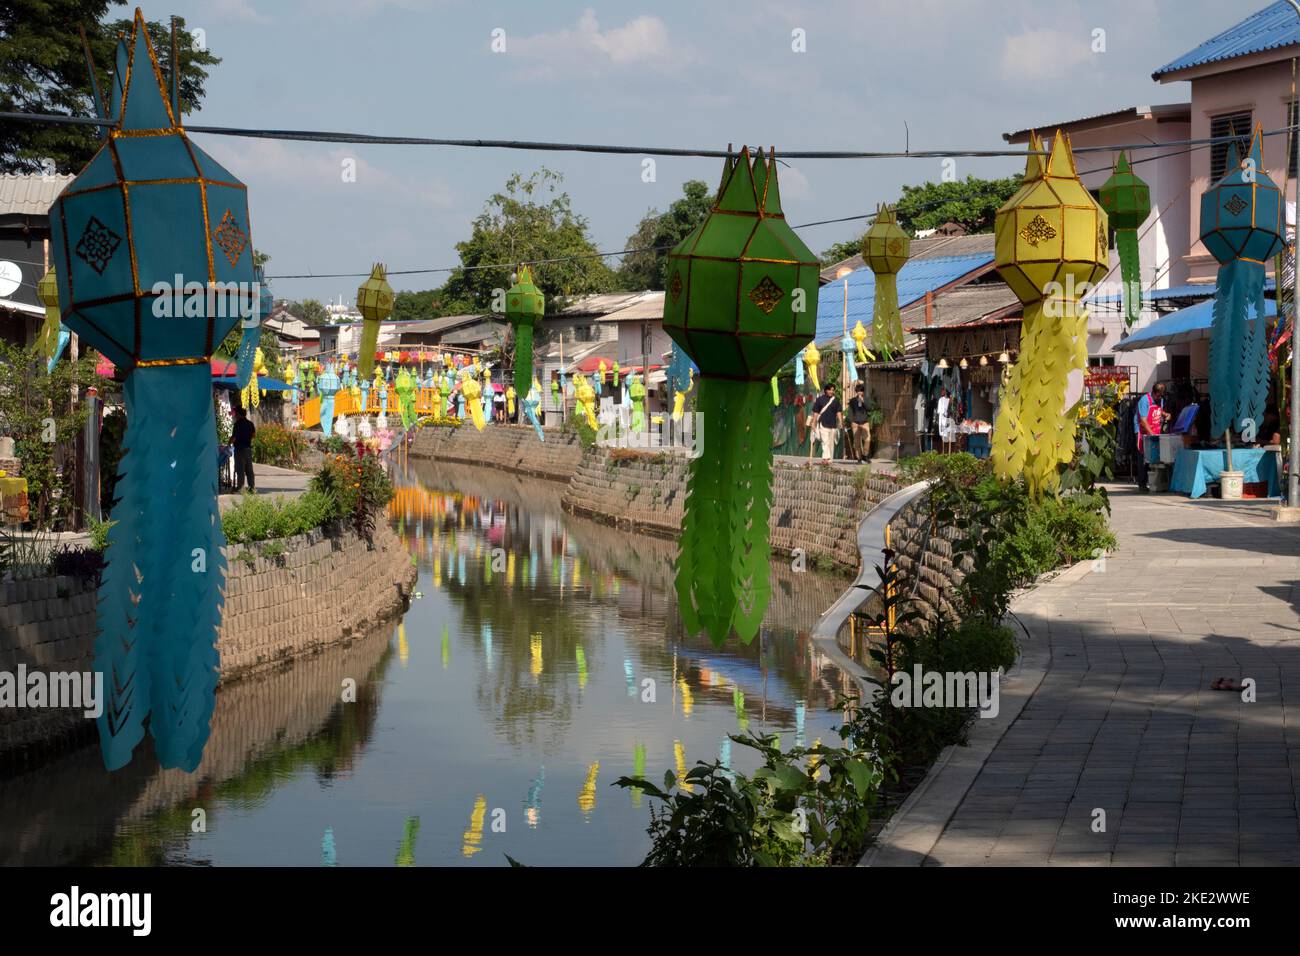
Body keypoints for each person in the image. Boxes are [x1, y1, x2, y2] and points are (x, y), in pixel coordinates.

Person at [1134, 381, 1170, 493]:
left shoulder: (1160, 400)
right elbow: (1143, 421)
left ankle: (1157, 483)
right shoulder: (1144, 401)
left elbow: (1159, 410)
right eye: (1159, 396)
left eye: (1162, 396)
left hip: (1155, 429)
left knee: (1155, 456)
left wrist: (1165, 414)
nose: (1160, 398)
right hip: (1143, 431)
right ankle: (1142, 484)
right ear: (1155, 393)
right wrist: (1152, 434)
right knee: (1143, 457)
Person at [808, 383, 842, 464]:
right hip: (823, 423)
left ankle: (830, 459)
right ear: (826, 390)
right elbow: (816, 412)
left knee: (831, 443)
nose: (831, 391)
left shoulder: (835, 400)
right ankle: (825, 459)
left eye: (833, 390)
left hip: (833, 424)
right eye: (830, 389)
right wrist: (813, 423)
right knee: (825, 441)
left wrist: (840, 422)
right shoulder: (820, 400)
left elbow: (838, 412)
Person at [846, 382, 873, 463]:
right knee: (857, 442)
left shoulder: (867, 399)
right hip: (855, 423)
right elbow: (850, 411)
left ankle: (865, 455)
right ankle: (859, 458)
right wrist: (851, 421)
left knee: (867, 439)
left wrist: (863, 401)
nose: (859, 392)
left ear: (863, 392)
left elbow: (869, 409)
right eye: (858, 391)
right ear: (856, 392)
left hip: (865, 422)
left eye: (861, 391)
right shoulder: (853, 401)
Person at [232, 406, 256, 492]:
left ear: (238, 414)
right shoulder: (250, 423)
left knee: (240, 469)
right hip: (248, 449)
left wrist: (229, 443)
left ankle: (240, 487)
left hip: (239, 449)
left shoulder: (237, 424)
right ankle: (251, 487)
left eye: (236, 414)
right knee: (249, 469)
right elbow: (253, 435)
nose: (235, 415)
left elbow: (234, 438)